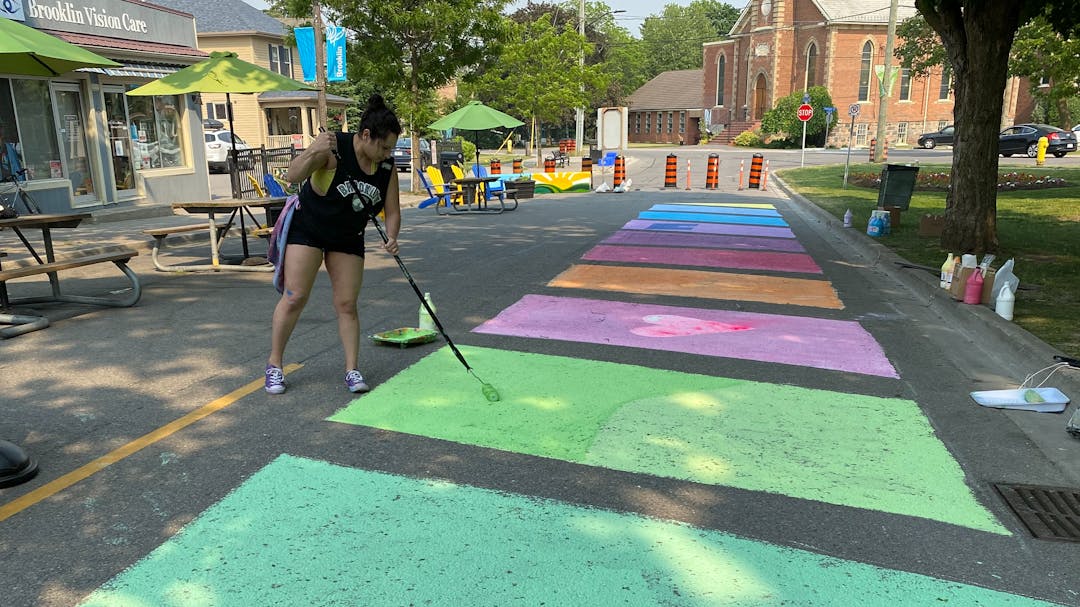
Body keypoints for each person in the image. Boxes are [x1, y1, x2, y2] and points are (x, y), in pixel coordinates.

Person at [265, 95, 402, 394]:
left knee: (346, 304)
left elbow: (392, 209)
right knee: (295, 296)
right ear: (366, 135)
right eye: (384, 146)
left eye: (391, 147)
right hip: (309, 229)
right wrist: (314, 149)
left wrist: (392, 236)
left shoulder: (386, 166)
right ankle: (274, 365)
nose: (387, 153)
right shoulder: (333, 147)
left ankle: (352, 370)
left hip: (348, 236)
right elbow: (292, 176)